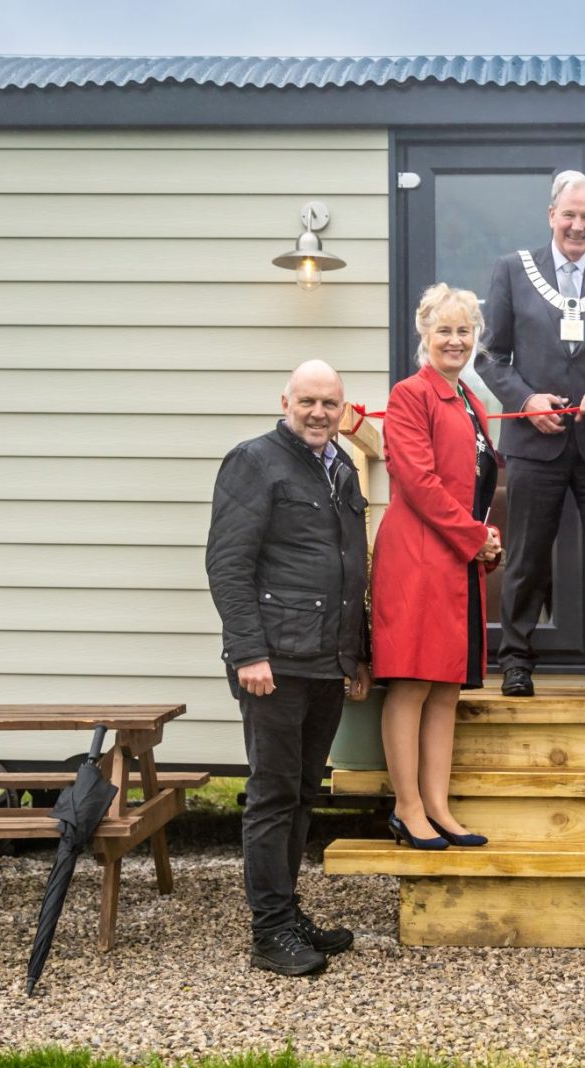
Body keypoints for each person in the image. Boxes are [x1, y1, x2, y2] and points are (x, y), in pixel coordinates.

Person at [205, 359, 371, 977]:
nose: (319, 413)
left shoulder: (342, 466)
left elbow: (352, 566)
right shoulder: (253, 461)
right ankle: (269, 932)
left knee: (304, 792)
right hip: (272, 662)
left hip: (326, 661)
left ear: (342, 406)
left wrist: (355, 654)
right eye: (308, 401)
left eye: (330, 403)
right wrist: (249, 651)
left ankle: (288, 910)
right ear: (286, 401)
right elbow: (227, 564)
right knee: (273, 796)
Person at [474, 170, 585, 699]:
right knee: (527, 556)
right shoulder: (513, 270)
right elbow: (490, 355)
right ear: (551, 214)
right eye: (570, 214)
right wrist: (524, 400)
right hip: (534, 442)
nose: (578, 225)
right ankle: (515, 662)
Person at [372, 284, 503, 851]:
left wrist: (483, 535)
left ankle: (439, 806)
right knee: (412, 683)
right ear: (424, 335)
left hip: (454, 557)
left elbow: (471, 483)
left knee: (446, 688)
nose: (455, 340)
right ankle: (407, 808)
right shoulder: (410, 394)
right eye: (444, 330)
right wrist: (475, 536)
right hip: (419, 556)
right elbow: (419, 482)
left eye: (464, 330)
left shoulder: (471, 400)